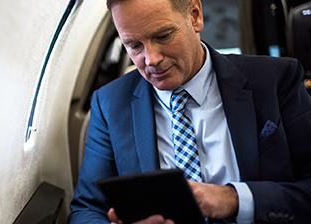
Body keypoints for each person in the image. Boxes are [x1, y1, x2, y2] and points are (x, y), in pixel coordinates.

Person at [68, 0, 311, 223]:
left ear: (195, 15)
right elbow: (86, 209)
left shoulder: (275, 80)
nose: (150, 59)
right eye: (133, 45)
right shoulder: (109, 103)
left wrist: (234, 199)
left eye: (163, 36)